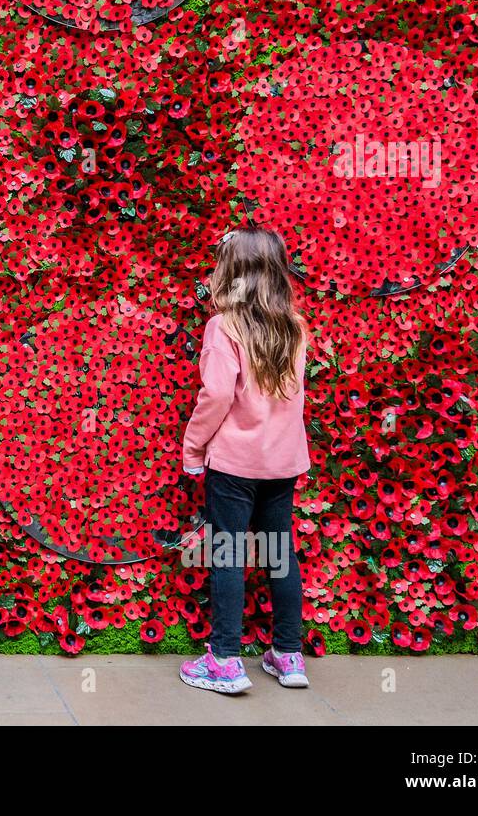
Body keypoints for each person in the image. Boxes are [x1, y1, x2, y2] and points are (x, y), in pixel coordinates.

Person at [178, 227, 311, 694]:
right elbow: (292, 397)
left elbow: (215, 394)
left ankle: (225, 662)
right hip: (283, 462)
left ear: (230, 271)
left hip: (235, 463)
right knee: (280, 554)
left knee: (228, 555)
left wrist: (193, 449)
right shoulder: (293, 323)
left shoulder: (224, 326)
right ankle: (289, 656)